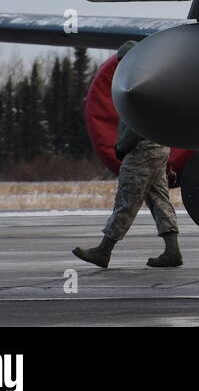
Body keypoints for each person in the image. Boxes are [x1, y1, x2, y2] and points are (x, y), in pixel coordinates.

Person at [72, 42, 182, 269]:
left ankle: (104, 250)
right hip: (159, 147)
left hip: (140, 149)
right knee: (159, 199)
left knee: (126, 200)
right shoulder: (157, 79)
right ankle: (172, 251)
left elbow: (137, 122)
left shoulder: (137, 82)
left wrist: (122, 147)